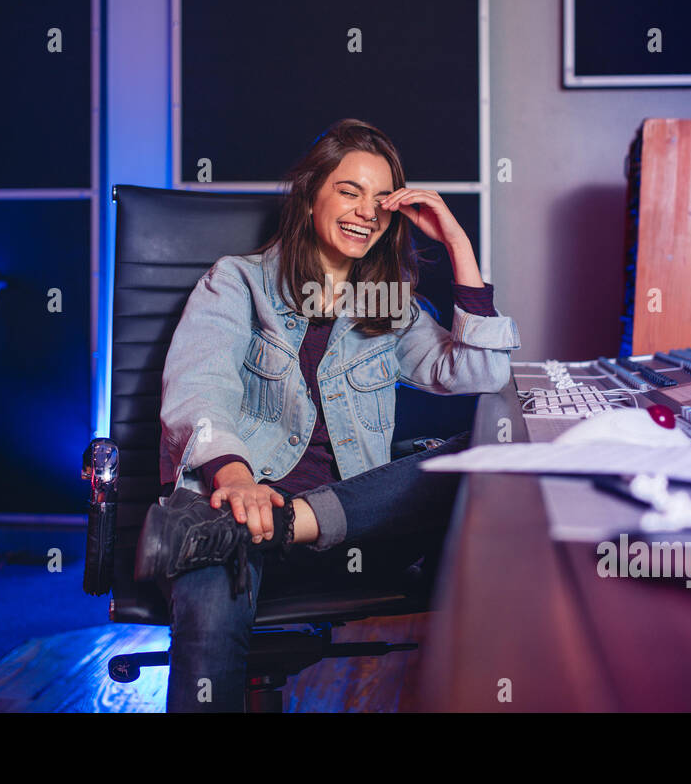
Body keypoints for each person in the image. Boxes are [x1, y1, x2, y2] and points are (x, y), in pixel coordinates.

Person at [136, 118, 521, 711]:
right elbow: (198, 391)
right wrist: (238, 481)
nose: (367, 211)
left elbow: (481, 374)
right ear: (311, 192)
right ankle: (263, 522)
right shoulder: (237, 282)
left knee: (483, 450)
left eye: (380, 199)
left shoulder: (387, 304)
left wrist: (457, 246)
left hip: (345, 532)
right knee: (214, 569)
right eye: (349, 191)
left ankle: (296, 519)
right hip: (232, 515)